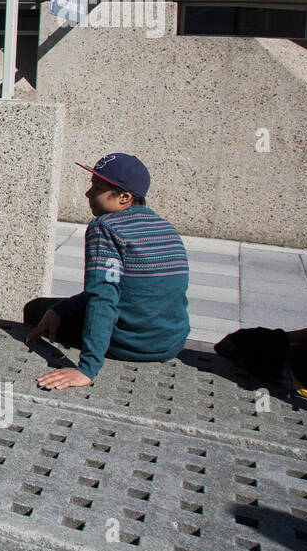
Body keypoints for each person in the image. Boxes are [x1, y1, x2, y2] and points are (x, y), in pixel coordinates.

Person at [25, 153, 190, 390]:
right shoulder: (165, 227)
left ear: (124, 197)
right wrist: (61, 309)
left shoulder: (105, 227)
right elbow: (131, 289)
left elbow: (103, 297)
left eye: (97, 188)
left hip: (130, 344)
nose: (88, 194)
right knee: (53, 309)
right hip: (171, 343)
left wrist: (87, 369)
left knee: (34, 310)